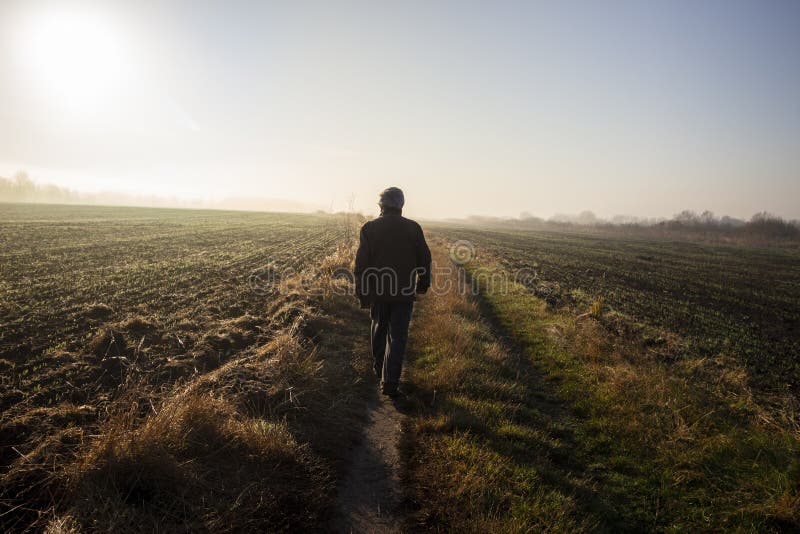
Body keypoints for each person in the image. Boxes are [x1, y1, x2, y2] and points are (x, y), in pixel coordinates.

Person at [354, 187, 432, 396]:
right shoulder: (413, 228)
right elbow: (424, 258)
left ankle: (379, 369)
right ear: (401, 205)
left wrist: (363, 293)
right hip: (404, 293)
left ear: (381, 205)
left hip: (377, 292)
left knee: (379, 329)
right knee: (398, 336)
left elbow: (361, 265)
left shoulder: (369, 228)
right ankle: (390, 382)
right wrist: (423, 283)